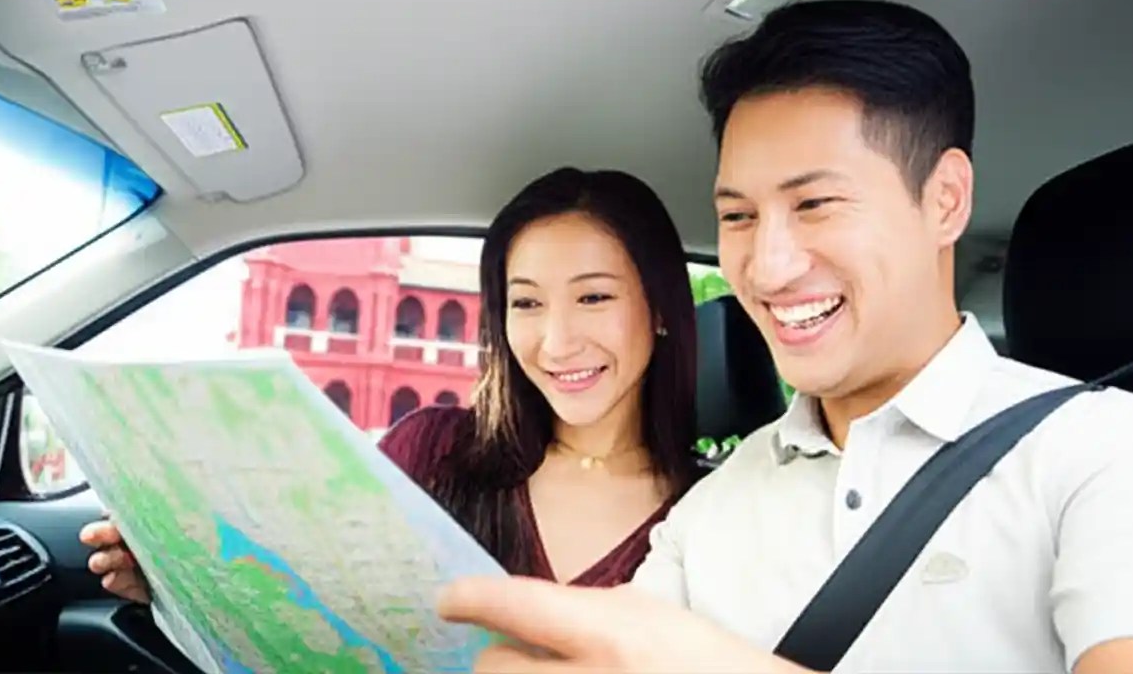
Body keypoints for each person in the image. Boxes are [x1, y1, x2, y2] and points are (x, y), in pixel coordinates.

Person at [449, 0, 1133, 674]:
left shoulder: (1118, 455)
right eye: (738, 217)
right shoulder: (706, 514)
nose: (768, 265)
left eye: (816, 204)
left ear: (946, 200)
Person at [78, 168, 702, 616]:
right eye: (527, 303)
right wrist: (178, 584)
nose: (557, 341)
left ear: (661, 310)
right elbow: (312, 600)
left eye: (594, 297)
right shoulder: (434, 451)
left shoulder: (711, 516)